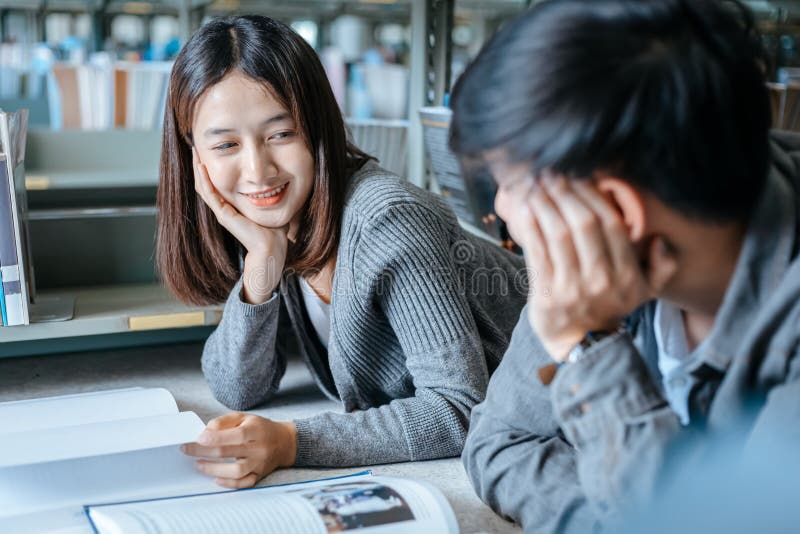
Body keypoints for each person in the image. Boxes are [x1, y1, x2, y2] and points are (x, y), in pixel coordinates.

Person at [448, 0, 800, 532]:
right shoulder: (602, 260)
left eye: (512, 187)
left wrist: (588, 347)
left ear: (615, 212)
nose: (504, 214)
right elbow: (499, 442)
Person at [156, 15, 526, 489]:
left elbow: (458, 408)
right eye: (225, 144)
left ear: (316, 127)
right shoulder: (282, 224)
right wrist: (262, 264)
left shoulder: (387, 219)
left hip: (598, 387)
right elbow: (237, 387)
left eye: (281, 134)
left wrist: (292, 442)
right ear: (194, 158)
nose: (257, 170)